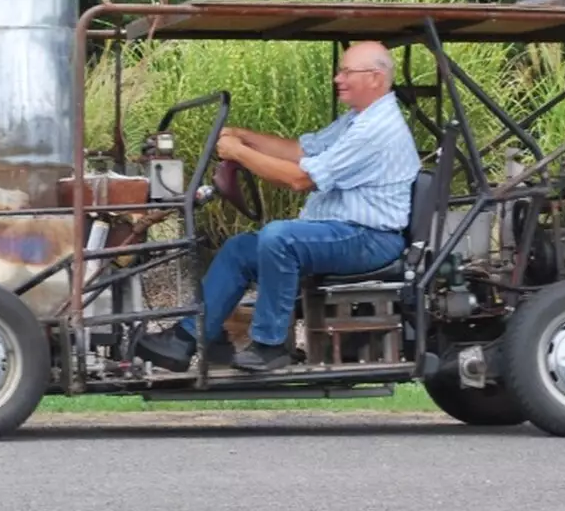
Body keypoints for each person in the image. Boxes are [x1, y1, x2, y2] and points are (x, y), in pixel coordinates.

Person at [135, 40, 422, 374]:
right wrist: (244, 136)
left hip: (369, 238)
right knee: (241, 248)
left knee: (280, 238)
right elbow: (302, 150)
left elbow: (300, 179)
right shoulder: (357, 120)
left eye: (346, 72)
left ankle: (270, 347)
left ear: (375, 78)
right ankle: (188, 339)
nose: (337, 78)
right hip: (342, 233)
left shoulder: (377, 129)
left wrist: (240, 154)